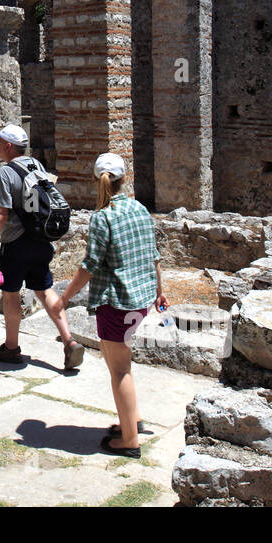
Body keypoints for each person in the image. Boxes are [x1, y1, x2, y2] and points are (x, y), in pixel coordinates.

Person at [56, 153, 167, 459]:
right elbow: (154, 253)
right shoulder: (139, 208)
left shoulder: (103, 217)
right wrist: (160, 291)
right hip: (141, 299)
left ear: (97, 181)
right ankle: (131, 420)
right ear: (124, 179)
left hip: (117, 302)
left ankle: (130, 440)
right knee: (117, 360)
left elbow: (90, 265)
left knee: (119, 370)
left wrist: (64, 299)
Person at [0, 124, 85, 371]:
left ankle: (11, 348)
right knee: (44, 289)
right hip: (40, 240)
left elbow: (1, 214)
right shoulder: (36, 165)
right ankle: (69, 340)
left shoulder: (5, 173)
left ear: (8, 146)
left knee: (11, 293)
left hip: (16, 244)